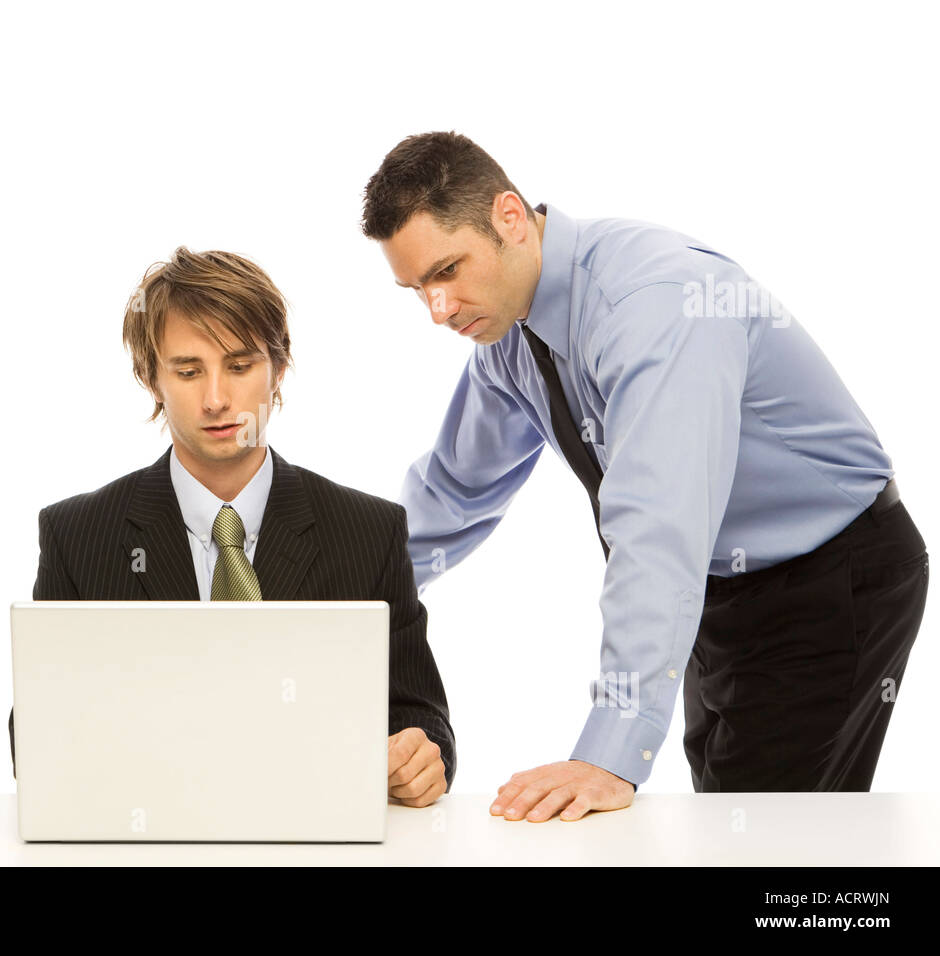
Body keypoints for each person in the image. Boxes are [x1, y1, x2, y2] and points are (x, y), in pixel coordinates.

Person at [361, 130, 928, 821]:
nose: (437, 310)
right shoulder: (509, 332)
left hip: (829, 578)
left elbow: (657, 528)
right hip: (720, 592)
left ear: (509, 217)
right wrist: (335, 604)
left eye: (447, 271)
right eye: (416, 288)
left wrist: (609, 751)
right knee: (729, 817)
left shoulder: (657, 301)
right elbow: (452, 491)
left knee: (764, 840)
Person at [8, 247, 456, 806]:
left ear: (279, 369)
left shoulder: (369, 531)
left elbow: (421, 718)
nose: (217, 400)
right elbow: (35, 741)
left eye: (240, 367)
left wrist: (421, 759)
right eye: (188, 371)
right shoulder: (77, 535)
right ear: (151, 378)